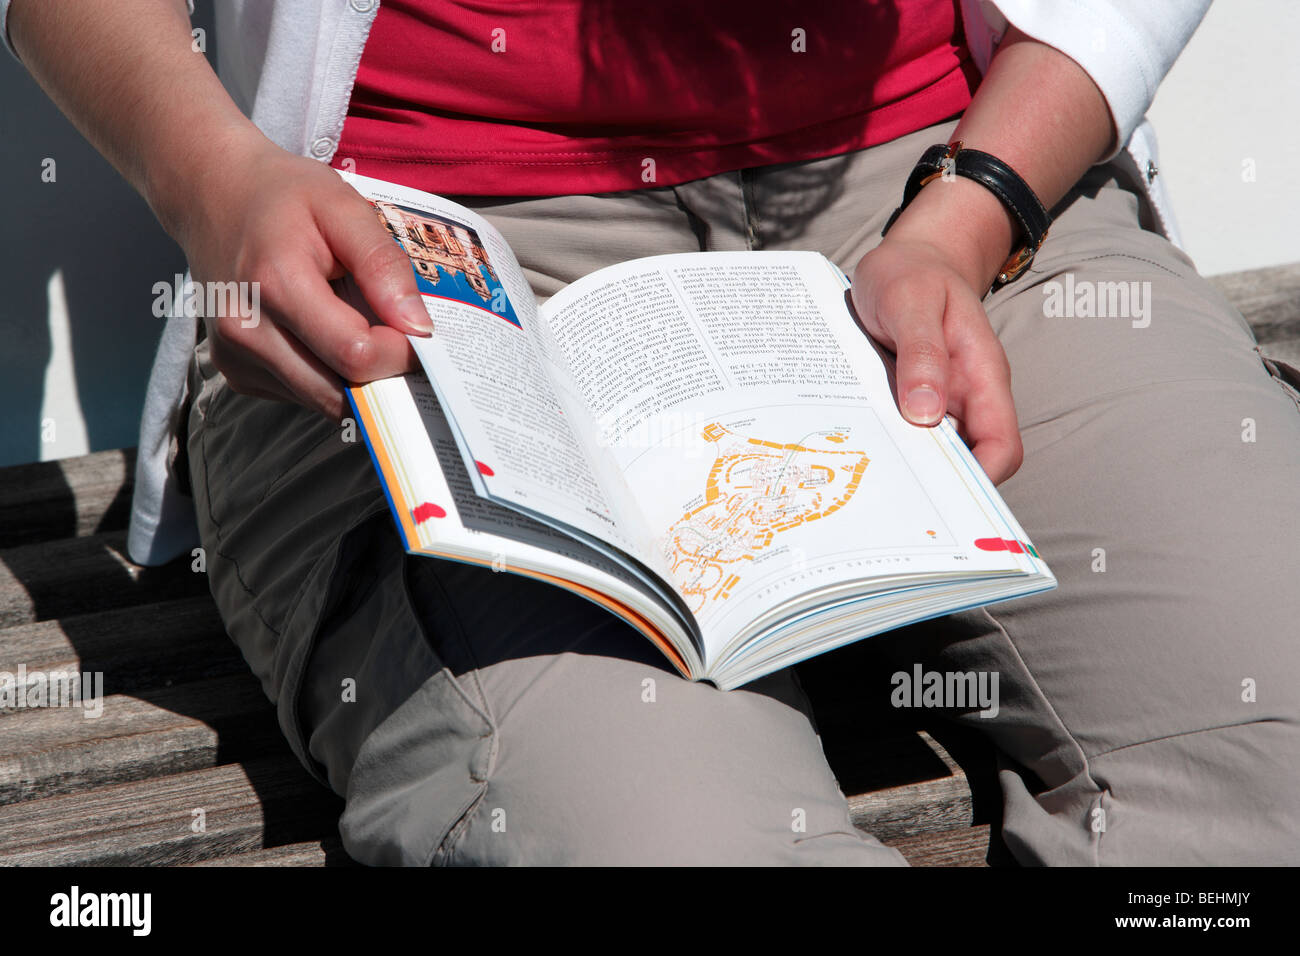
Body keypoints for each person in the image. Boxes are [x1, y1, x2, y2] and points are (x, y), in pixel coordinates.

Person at [6, 0, 1297, 865]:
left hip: (951, 180)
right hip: (423, 256)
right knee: (659, 837)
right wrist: (223, 186)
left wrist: (972, 212)